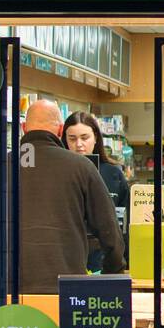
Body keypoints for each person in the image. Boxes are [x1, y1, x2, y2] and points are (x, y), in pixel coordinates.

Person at [19, 100, 125, 293]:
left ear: (24, 128)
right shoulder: (81, 167)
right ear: (60, 131)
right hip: (67, 287)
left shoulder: (2, 167)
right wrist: (111, 275)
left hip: (8, 290)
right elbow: (110, 232)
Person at [62, 110, 131, 271]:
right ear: (64, 140)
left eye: (84, 138)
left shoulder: (113, 173)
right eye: (72, 139)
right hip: (68, 258)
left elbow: (125, 221)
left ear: (96, 138)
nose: (79, 144)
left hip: (104, 259)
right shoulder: (59, 173)